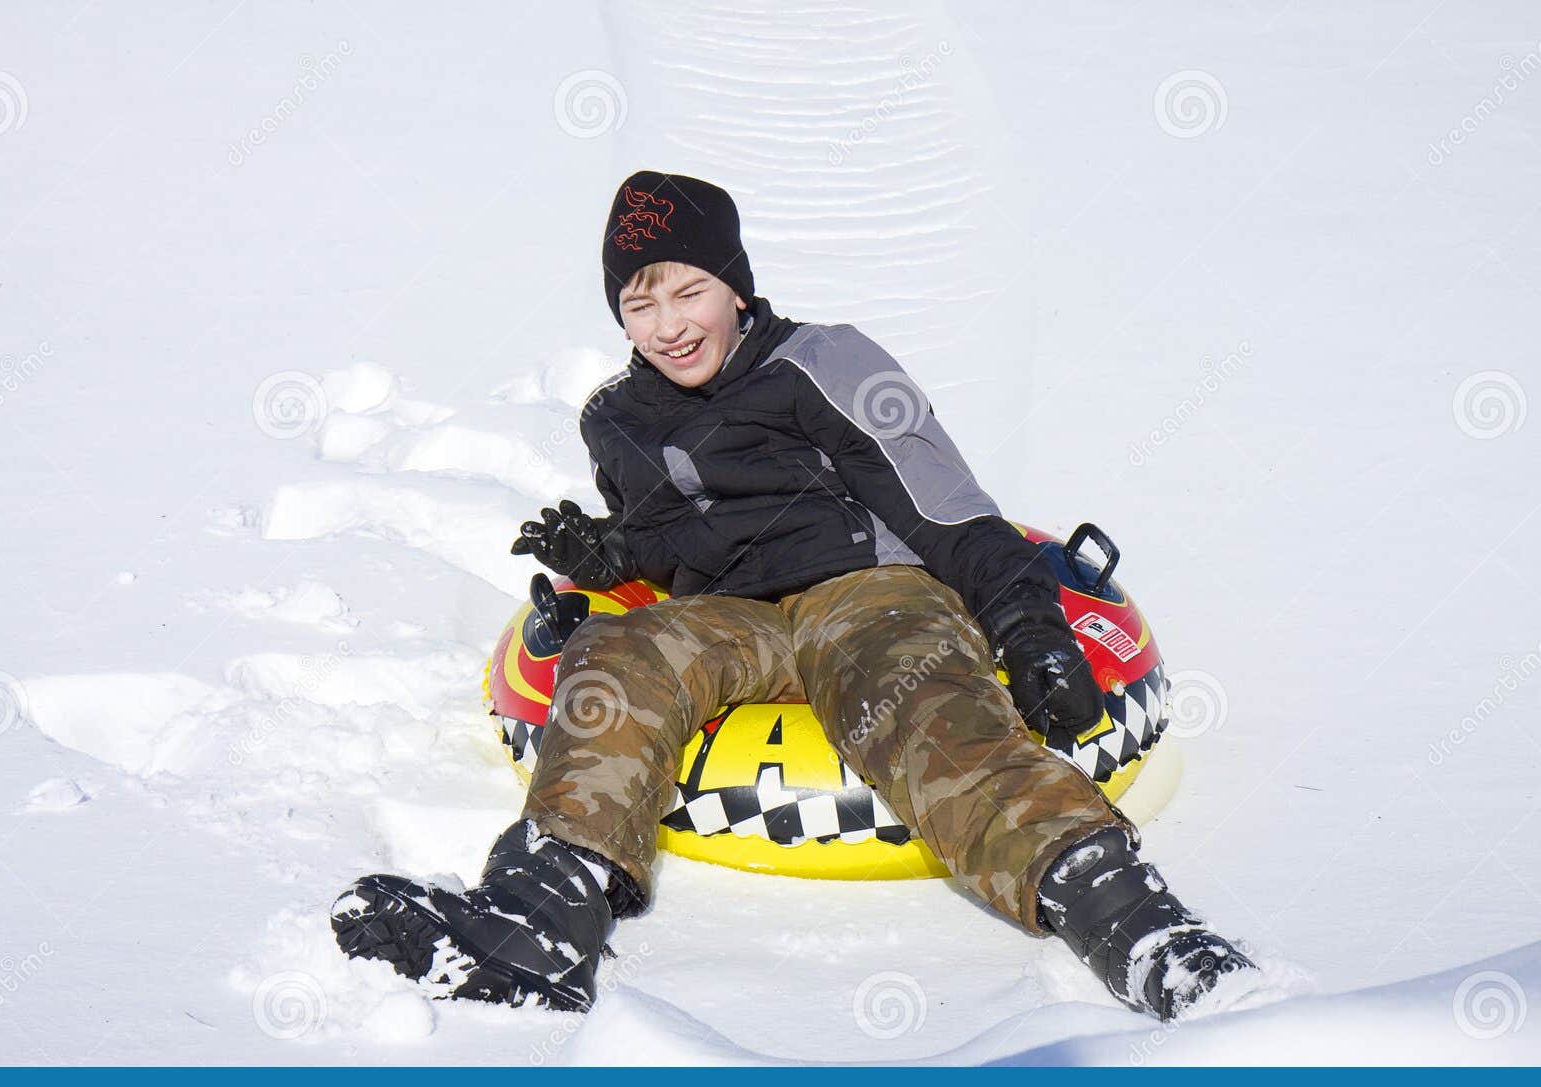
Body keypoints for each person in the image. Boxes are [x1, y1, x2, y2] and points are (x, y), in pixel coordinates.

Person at [330, 170, 1266, 1023]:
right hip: (736, 620)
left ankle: (1142, 932)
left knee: (913, 702)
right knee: (617, 654)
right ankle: (532, 928)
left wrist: (1030, 627)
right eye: (637, 301)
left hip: (868, 591)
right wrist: (608, 548)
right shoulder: (615, 417)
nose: (668, 324)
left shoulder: (826, 363)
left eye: (689, 289)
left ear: (736, 285)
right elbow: (668, 539)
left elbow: (950, 511)